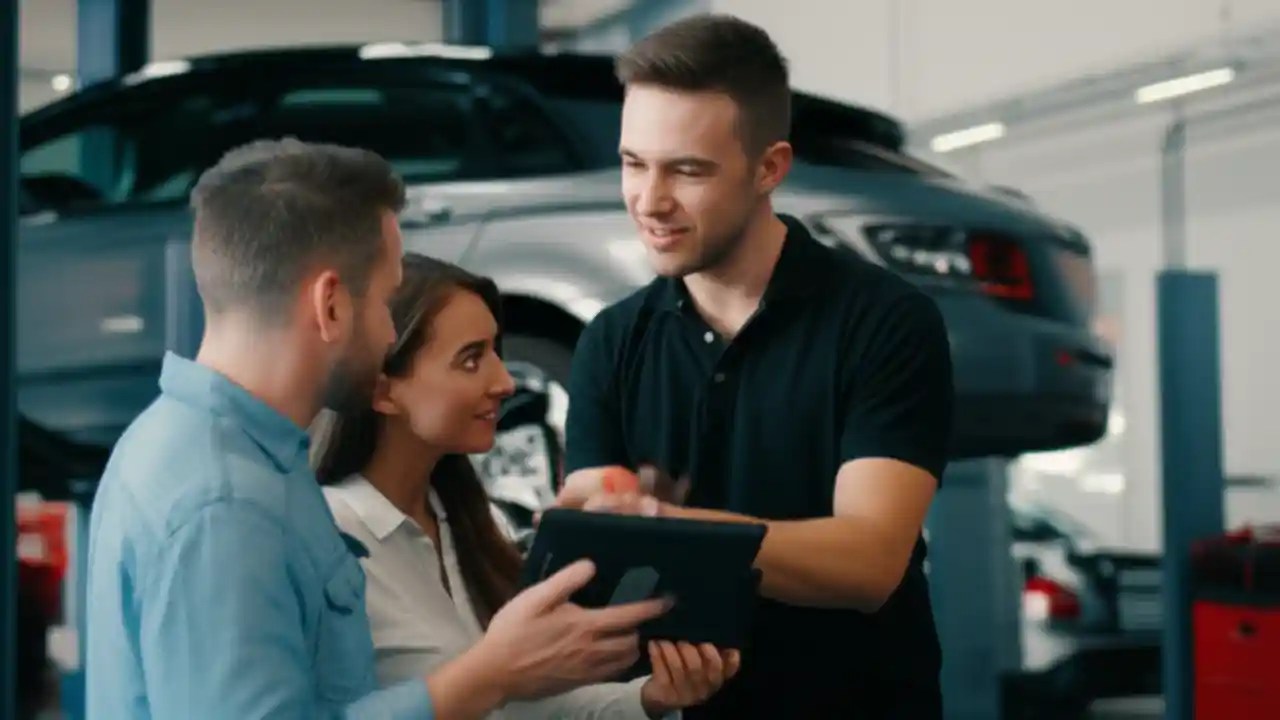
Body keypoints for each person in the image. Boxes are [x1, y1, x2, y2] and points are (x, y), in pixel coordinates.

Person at [83, 138, 671, 720]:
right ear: (331, 305)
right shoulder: (225, 502)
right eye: (387, 302)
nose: (392, 336)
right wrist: (489, 674)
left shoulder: (220, 456)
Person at [555, 13, 955, 720]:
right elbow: (597, 548)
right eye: (633, 163)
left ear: (769, 167)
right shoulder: (611, 343)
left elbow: (868, 563)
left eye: (687, 169)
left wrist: (664, 527)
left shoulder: (885, 322)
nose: (650, 201)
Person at [312, 253, 740, 719]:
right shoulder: (324, 540)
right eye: (471, 360)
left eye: (496, 351)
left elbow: (523, 707)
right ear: (382, 391)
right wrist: (493, 672)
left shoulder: (475, 521)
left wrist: (651, 698)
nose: (504, 381)